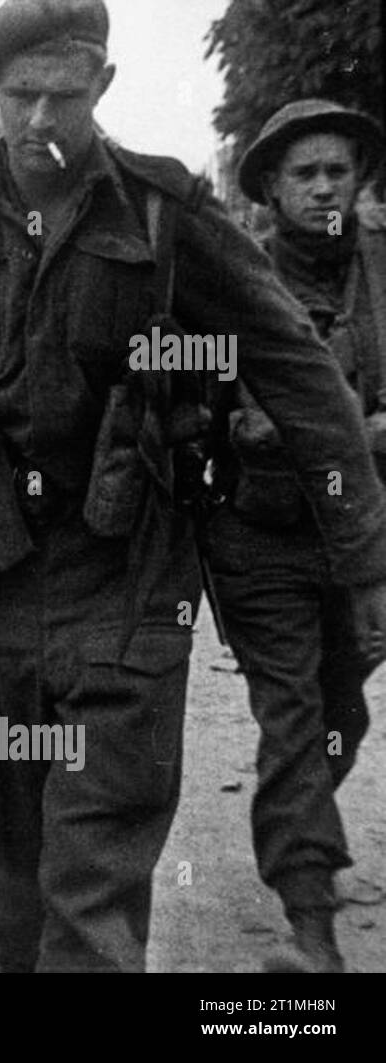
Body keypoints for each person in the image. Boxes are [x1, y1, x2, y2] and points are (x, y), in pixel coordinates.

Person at [0, 0, 386, 973]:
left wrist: (362, 558)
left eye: (61, 97)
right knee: (10, 900)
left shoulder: (164, 217)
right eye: (18, 97)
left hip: (129, 598)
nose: (36, 122)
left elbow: (300, 376)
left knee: (90, 894)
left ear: (101, 88)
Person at [206, 99, 386, 972]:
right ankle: (311, 927)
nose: (324, 187)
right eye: (304, 173)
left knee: (341, 711)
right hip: (261, 538)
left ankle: (299, 823)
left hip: (363, 539)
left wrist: (353, 429)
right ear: (270, 188)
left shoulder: (382, 272)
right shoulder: (233, 278)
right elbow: (197, 398)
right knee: (294, 713)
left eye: (338, 171)